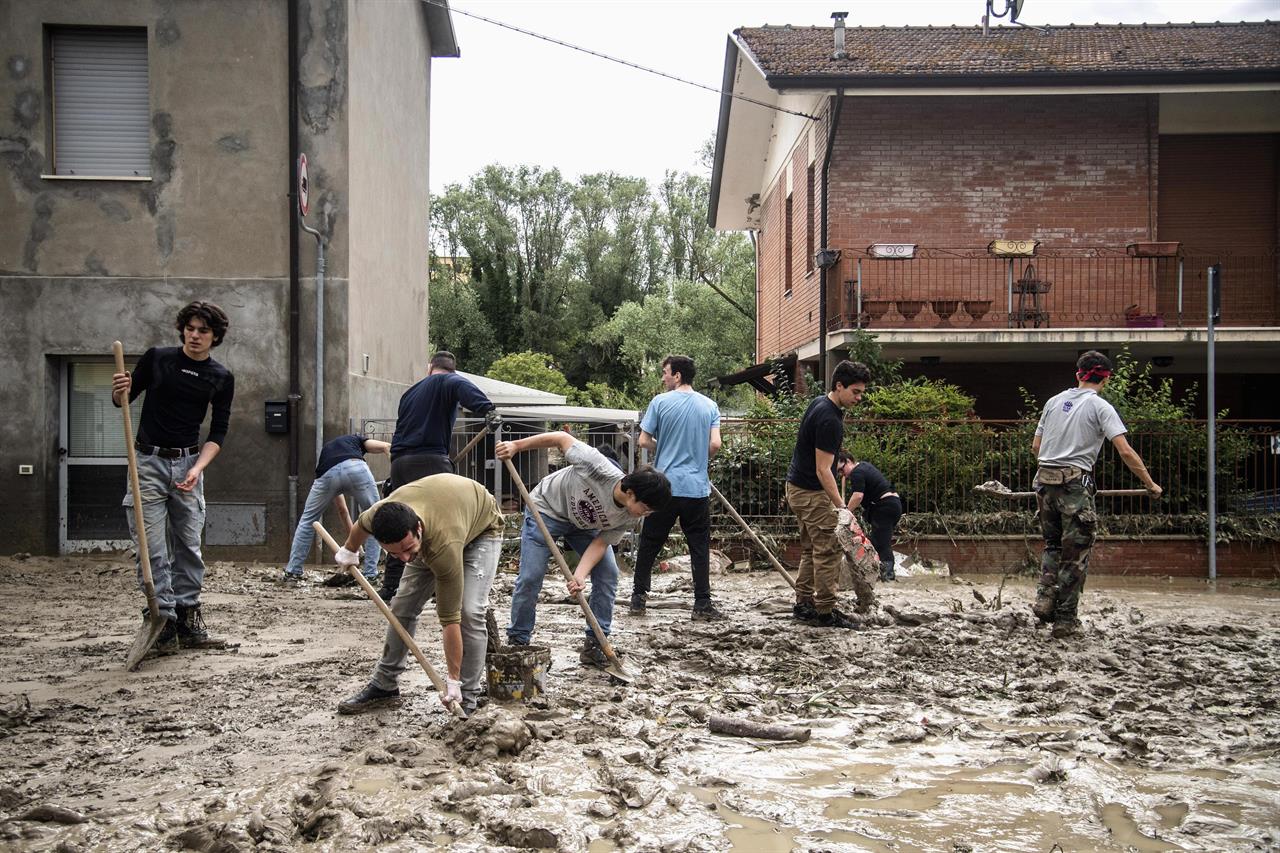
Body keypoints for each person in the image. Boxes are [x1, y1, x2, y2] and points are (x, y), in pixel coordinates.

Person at [112, 301, 235, 653]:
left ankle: (187, 618)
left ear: (215, 337)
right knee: (151, 548)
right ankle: (161, 620)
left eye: (203, 331)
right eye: (190, 329)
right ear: (183, 329)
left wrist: (197, 468)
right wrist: (120, 389)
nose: (195, 336)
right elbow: (122, 400)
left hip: (187, 464)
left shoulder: (221, 377)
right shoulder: (158, 358)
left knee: (188, 545)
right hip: (147, 462)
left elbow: (219, 432)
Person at [334, 474, 503, 716]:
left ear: (419, 529)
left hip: (481, 528)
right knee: (402, 606)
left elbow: (450, 620)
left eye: (407, 549)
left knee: (469, 611)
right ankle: (384, 685)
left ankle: (467, 697)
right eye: (394, 554)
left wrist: (452, 680)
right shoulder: (378, 516)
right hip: (439, 518)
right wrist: (349, 550)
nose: (404, 559)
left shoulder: (443, 547)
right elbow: (360, 524)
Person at [497, 431, 671, 667]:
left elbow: (600, 542)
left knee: (608, 573)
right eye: (646, 508)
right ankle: (519, 640)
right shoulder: (595, 465)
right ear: (631, 493)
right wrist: (516, 445)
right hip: (547, 509)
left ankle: (595, 644)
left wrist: (579, 575)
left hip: (585, 526)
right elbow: (560, 438)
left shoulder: (630, 516)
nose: (646, 514)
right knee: (531, 577)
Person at [1032, 351, 1162, 638]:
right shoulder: (1100, 407)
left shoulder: (1053, 402)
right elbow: (1125, 451)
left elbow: (1036, 449)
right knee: (1075, 554)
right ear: (1107, 378)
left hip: (1043, 482)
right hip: (1074, 486)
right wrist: (1150, 484)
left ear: (1078, 374)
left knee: (1053, 545)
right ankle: (1065, 620)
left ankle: (1044, 597)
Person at [382, 351, 495, 600]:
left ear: (428, 367)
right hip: (429, 460)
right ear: (450, 369)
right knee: (445, 523)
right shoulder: (445, 380)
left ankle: (391, 587)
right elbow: (457, 384)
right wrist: (487, 409)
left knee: (403, 522)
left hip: (400, 463)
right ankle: (444, 584)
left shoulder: (409, 393)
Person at [629, 355, 724, 620]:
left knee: (650, 542)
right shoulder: (710, 405)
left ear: (678, 375)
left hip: (665, 488)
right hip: (696, 488)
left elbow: (643, 441)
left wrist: (667, 447)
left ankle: (638, 598)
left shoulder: (660, 403)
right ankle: (702, 604)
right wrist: (695, 453)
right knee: (699, 546)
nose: (663, 377)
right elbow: (715, 445)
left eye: (665, 373)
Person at [785, 360, 872, 629]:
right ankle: (824, 611)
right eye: (855, 392)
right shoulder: (829, 419)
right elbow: (824, 471)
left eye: (861, 393)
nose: (859, 398)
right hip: (811, 492)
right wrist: (842, 508)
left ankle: (804, 605)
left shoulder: (819, 403)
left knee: (812, 549)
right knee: (829, 549)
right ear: (839, 386)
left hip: (798, 488)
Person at [282, 434, 390, 583]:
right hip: (356, 468)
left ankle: (293, 572)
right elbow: (385, 446)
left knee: (307, 521)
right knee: (374, 519)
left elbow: (343, 511)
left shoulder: (328, 453)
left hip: (327, 474)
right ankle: (370, 574)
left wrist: (356, 544)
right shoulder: (357, 440)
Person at [836, 450, 903, 582]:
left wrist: (846, 512)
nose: (842, 474)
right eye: (839, 473)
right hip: (892, 505)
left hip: (885, 507)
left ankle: (888, 576)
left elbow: (858, 496)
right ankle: (877, 572)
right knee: (876, 540)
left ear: (848, 461)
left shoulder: (857, 472)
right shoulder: (864, 466)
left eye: (842, 470)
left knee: (881, 542)